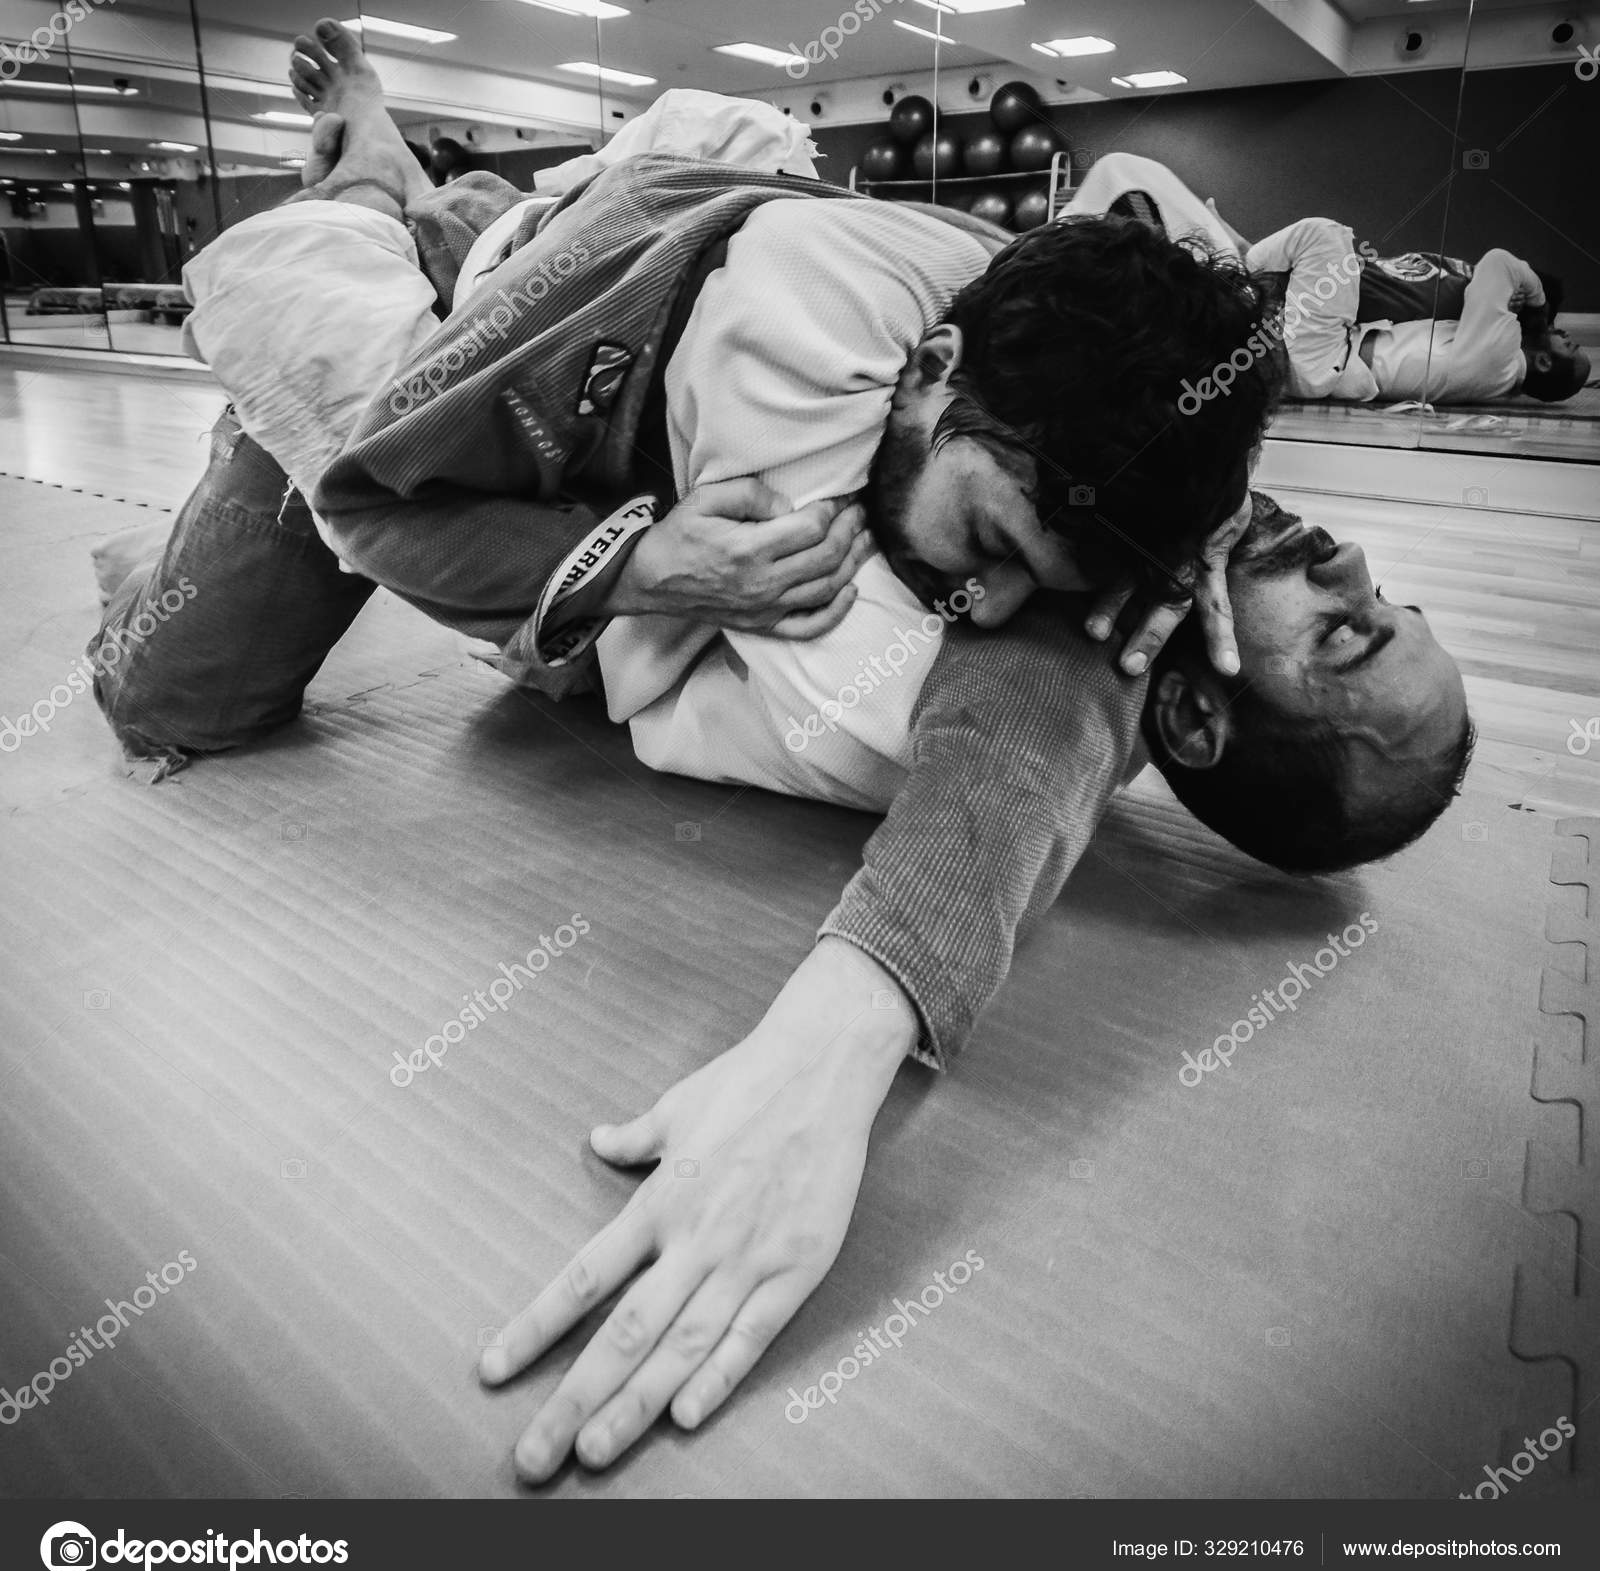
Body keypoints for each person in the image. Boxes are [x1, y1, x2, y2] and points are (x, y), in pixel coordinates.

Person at [88, 22, 1470, 1484]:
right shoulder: (1149, 452)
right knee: (469, 283)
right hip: (604, 268)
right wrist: (645, 563)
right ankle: (400, 185)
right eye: (1392, 598)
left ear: (1191, 714)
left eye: (1349, 634)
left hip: (528, 367)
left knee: (174, 690)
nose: (1349, 561)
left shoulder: (1072, 651)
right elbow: (1130, 197)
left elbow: (1024, 747)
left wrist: (841, 1041)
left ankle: (369, 201)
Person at [1067, 151, 1591, 405]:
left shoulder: (1499, 359)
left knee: (1325, 234)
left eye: (1567, 345)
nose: (1563, 334)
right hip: (1323, 348)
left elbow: (1501, 262)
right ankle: (1236, 266)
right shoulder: (1493, 352)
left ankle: (1240, 266)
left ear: (1543, 359)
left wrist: (1538, 303)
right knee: (1119, 170)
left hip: (1322, 361)